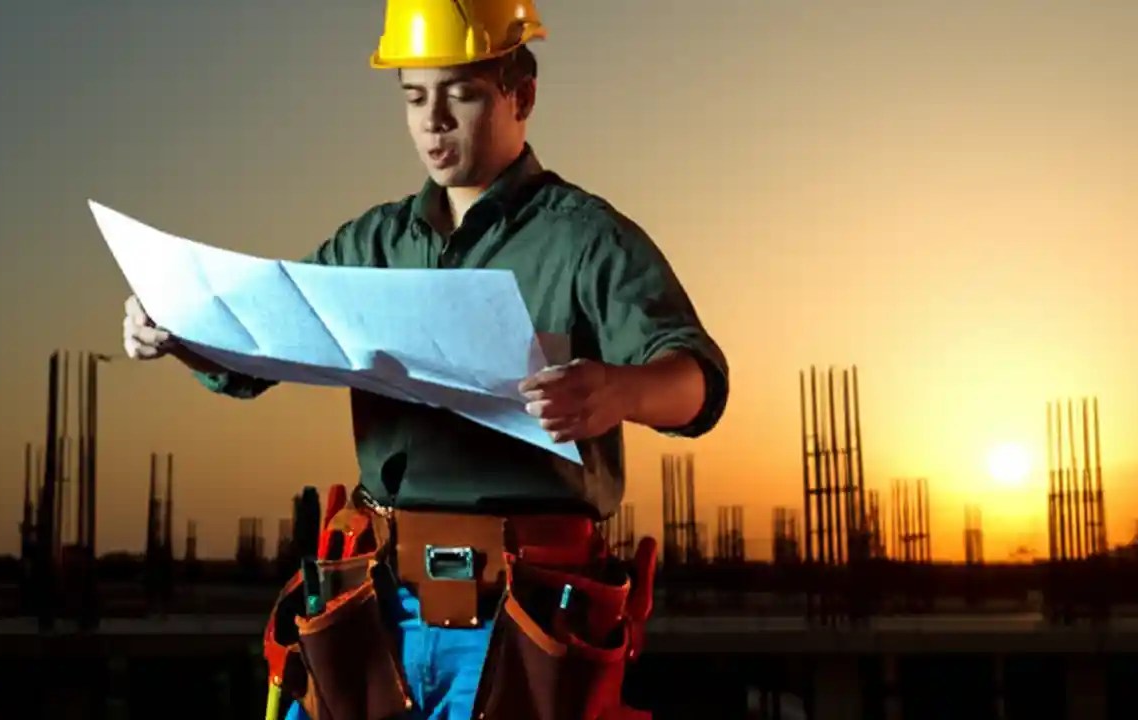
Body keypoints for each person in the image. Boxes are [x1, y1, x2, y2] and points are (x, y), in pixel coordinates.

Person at [122, 1, 728, 717]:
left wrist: (621, 391)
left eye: (461, 93)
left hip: (524, 615)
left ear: (521, 94)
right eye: (414, 96)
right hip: (374, 608)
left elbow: (696, 381)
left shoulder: (585, 243)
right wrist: (177, 331)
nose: (432, 121)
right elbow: (255, 349)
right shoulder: (371, 246)